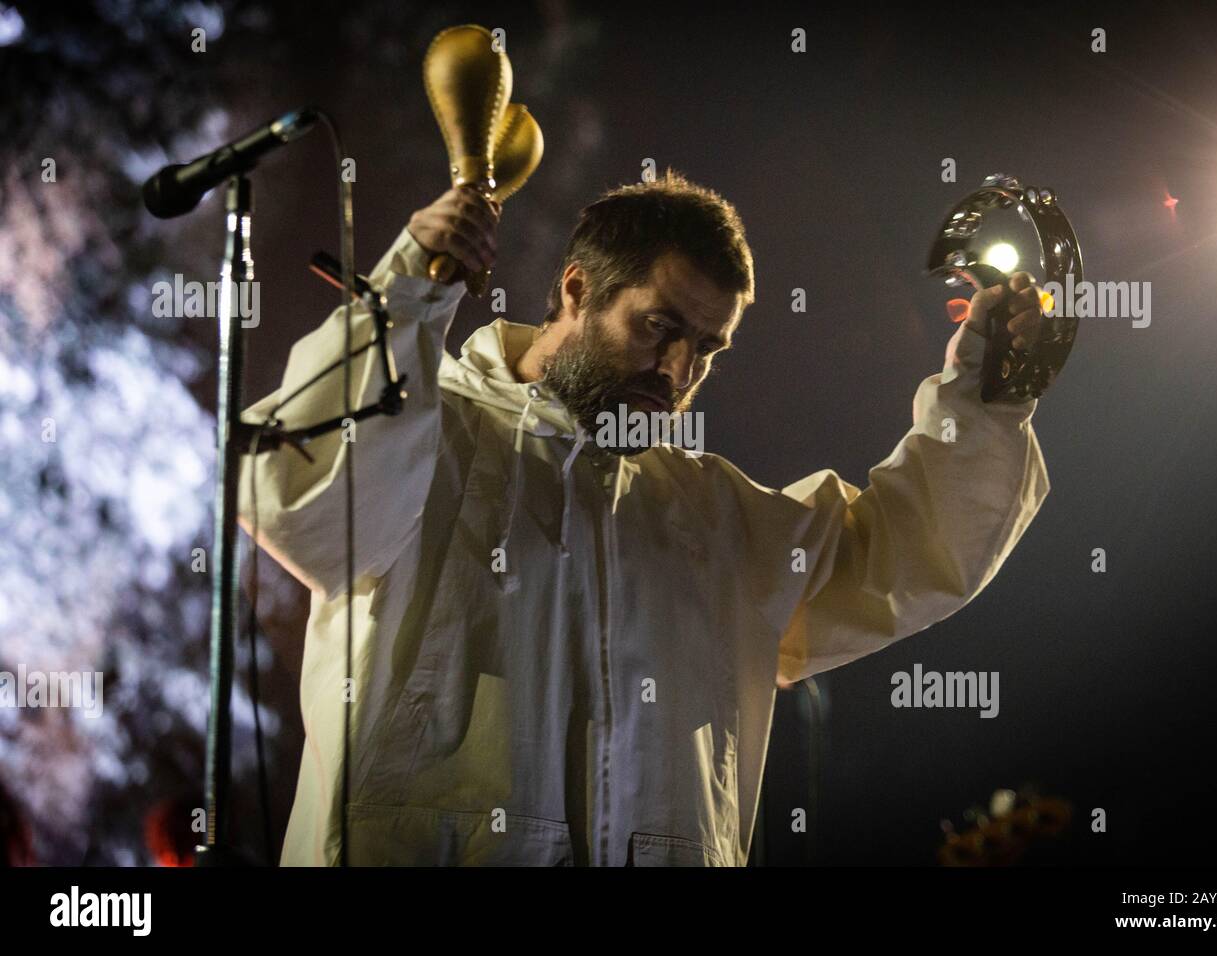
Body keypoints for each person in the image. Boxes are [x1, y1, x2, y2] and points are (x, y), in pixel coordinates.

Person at [238, 171, 1049, 866]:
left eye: (707, 347)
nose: (678, 371)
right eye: (660, 327)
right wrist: (410, 284)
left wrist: (985, 404)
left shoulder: (712, 517)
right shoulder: (428, 436)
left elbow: (897, 557)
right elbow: (297, 495)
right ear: (576, 289)